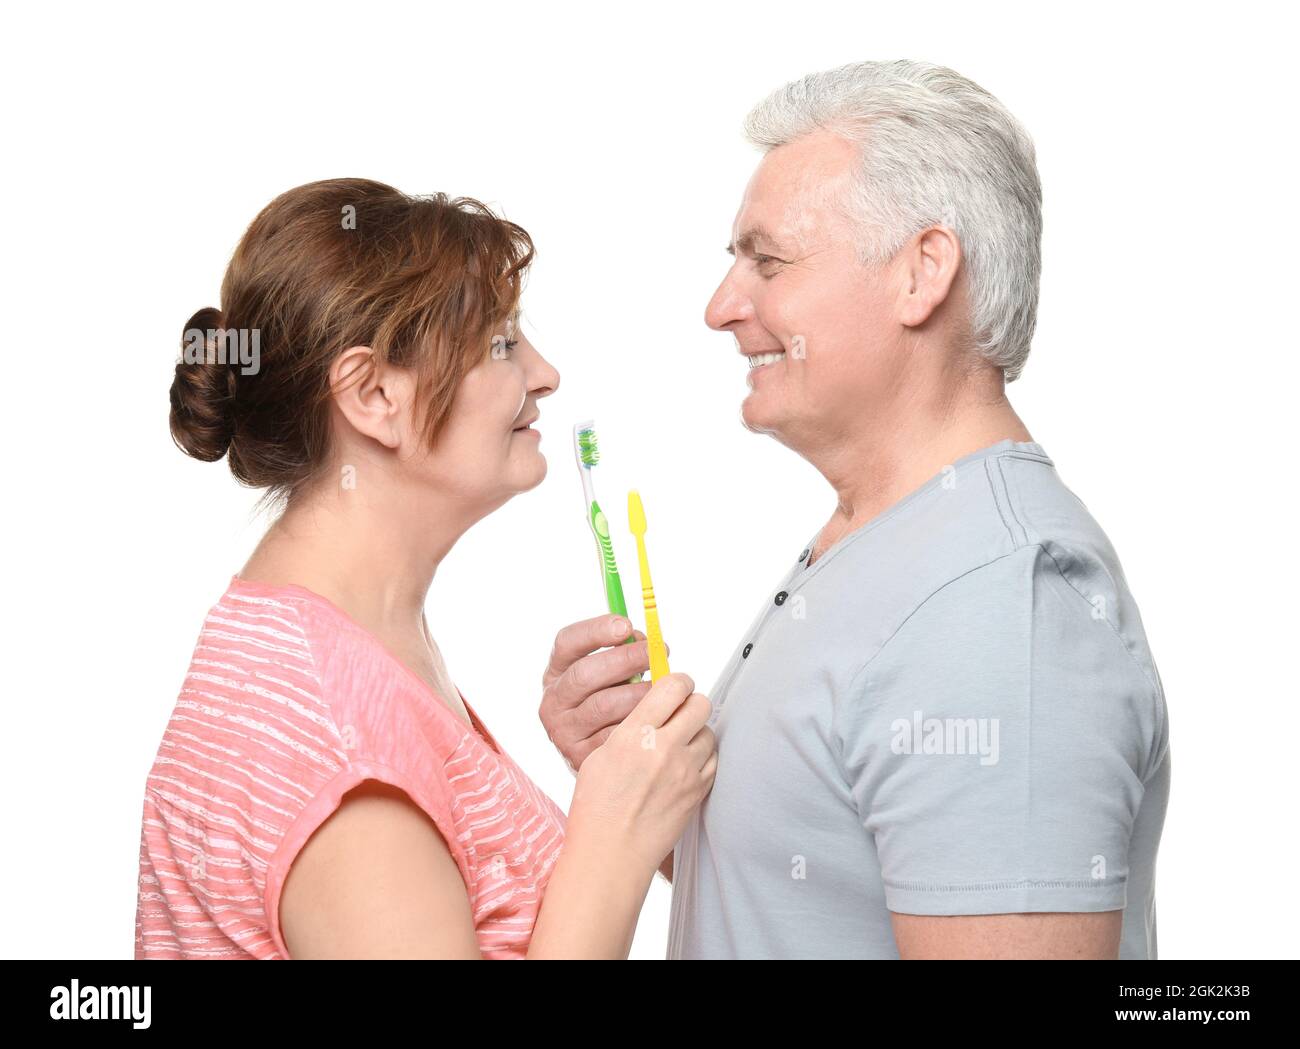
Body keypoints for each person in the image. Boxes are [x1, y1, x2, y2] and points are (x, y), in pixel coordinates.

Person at [540, 60, 1170, 959]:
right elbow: (805, 894)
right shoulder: (889, 543)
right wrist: (638, 780)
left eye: (770, 261)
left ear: (922, 273)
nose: (722, 307)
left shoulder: (998, 606)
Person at [135, 178, 716, 959]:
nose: (543, 373)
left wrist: (624, 790)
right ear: (374, 393)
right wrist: (613, 841)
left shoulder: (353, 651)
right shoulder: (341, 753)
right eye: (502, 342)